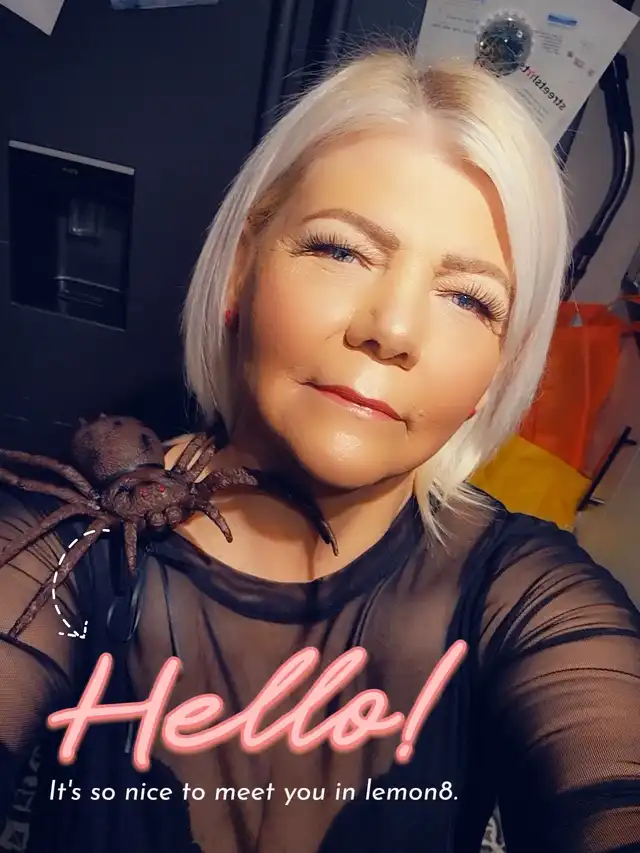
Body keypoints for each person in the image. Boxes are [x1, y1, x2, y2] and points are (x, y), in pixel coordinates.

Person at [0, 47, 639, 853]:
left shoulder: (530, 597)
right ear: (241, 273)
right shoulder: (57, 546)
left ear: (499, 373)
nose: (392, 328)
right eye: (341, 250)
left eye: (469, 298)